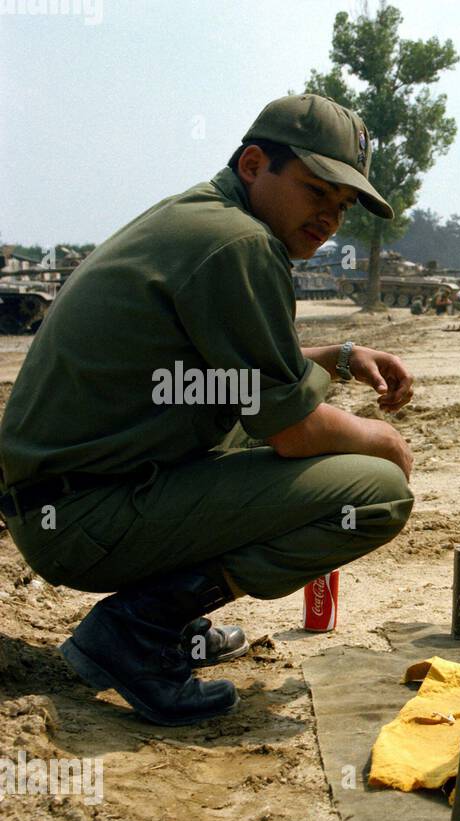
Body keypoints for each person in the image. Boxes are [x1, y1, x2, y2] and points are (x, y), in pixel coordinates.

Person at [0, 93, 416, 727]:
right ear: (254, 164)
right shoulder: (241, 245)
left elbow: (236, 375)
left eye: (342, 206)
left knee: (245, 438)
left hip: (66, 498)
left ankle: (167, 623)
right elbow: (294, 430)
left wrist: (337, 357)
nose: (329, 216)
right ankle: (138, 630)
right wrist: (381, 438)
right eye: (316, 191)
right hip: (85, 516)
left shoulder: (204, 218)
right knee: (377, 490)